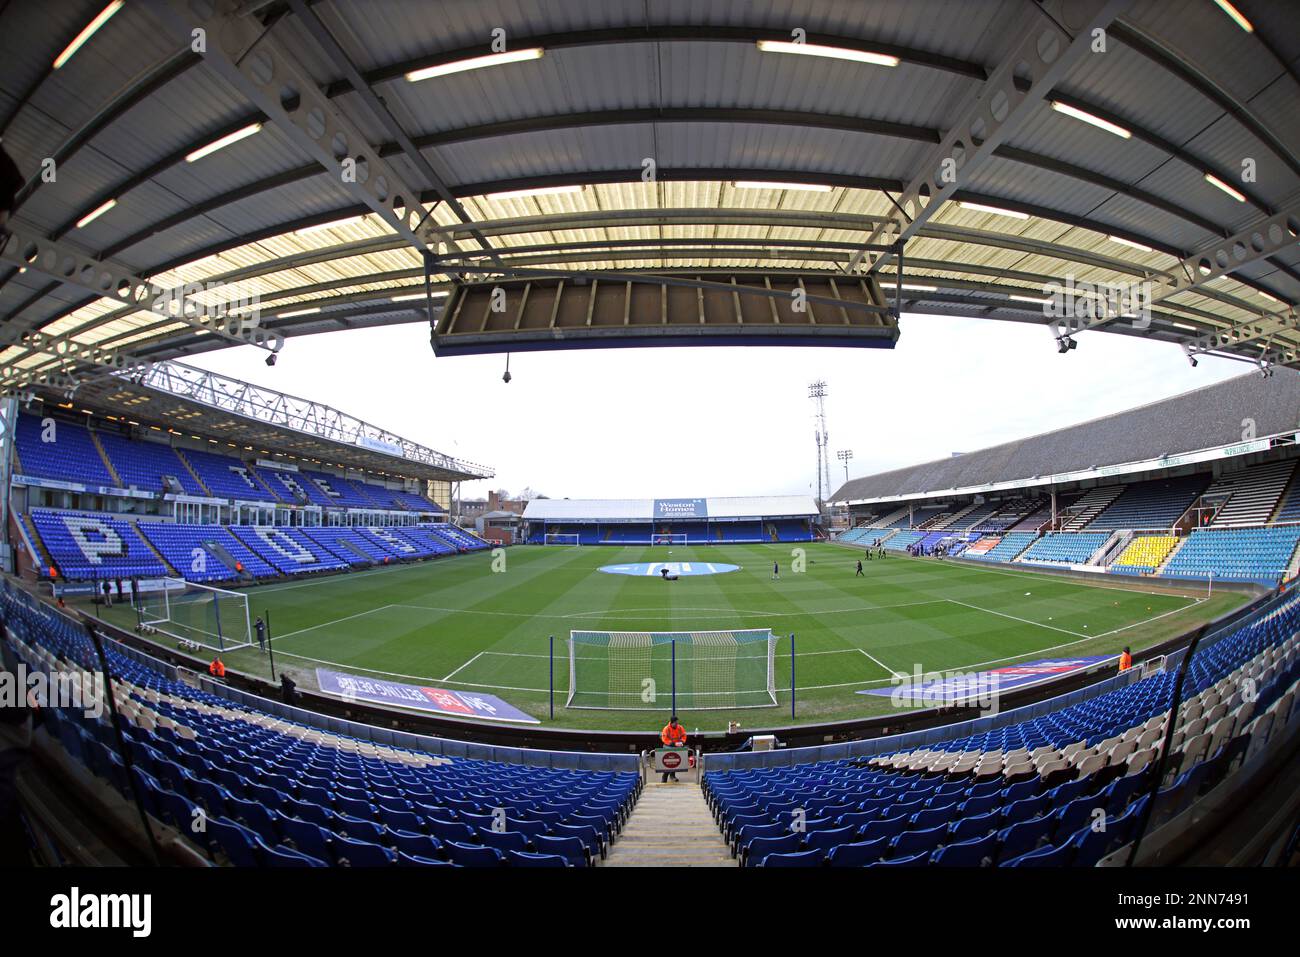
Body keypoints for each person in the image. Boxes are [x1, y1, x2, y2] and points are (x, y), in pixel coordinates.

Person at [659, 715, 687, 782]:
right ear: (672, 723)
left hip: (677, 745)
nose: (677, 724)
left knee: (675, 762)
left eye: (677, 722)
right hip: (668, 746)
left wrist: (682, 742)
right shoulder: (666, 729)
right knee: (669, 762)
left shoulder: (680, 727)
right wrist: (671, 743)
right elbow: (664, 739)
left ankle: (672, 775)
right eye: (675, 723)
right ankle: (665, 776)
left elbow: (684, 735)